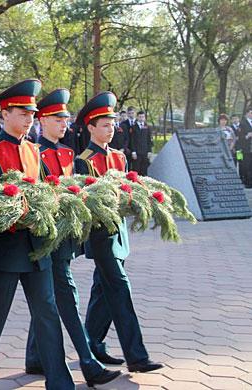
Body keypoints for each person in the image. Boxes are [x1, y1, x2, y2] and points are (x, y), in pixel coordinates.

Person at [0, 79, 75, 389]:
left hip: (37, 245)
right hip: (5, 247)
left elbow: (45, 190)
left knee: (46, 309)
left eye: (31, 113)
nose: (29, 118)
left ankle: (59, 380)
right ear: (5, 114)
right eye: (22, 113)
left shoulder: (34, 149)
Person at [24, 89, 121, 387]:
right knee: (66, 297)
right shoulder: (33, 152)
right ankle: (89, 363)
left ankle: (34, 357)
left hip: (64, 239)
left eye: (65, 118)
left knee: (49, 301)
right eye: (57, 118)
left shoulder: (68, 153)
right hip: (46, 238)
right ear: (42, 121)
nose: (63, 123)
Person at [74, 91, 163, 373]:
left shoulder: (119, 158)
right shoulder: (84, 161)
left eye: (112, 125)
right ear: (90, 128)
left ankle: (92, 345)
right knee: (120, 288)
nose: (110, 130)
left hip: (119, 232)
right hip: (100, 236)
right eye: (104, 125)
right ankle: (136, 356)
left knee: (103, 289)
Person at [129, 110, 153, 176]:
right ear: (137, 117)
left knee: (144, 170)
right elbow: (132, 140)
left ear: (145, 118)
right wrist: (133, 151)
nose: (141, 118)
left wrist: (149, 151)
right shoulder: (133, 127)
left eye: (143, 117)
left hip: (145, 152)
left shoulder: (148, 127)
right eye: (140, 117)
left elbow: (149, 140)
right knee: (136, 170)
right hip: (137, 153)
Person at [238, 107, 252, 187]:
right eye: (251, 113)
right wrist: (247, 136)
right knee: (246, 165)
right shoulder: (243, 123)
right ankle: (247, 182)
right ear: (247, 114)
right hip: (246, 149)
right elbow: (239, 137)